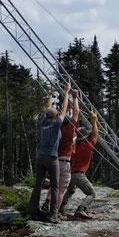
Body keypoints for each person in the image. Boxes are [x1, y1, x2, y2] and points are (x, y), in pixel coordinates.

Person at [27, 82, 71, 223]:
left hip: (40, 157)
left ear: (46, 116)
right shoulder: (57, 123)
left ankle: (32, 211)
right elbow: (64, 108)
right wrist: (66, 92)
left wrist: (51, 93)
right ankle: (53, 215)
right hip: (52, 159)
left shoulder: (43, 123)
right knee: (55, 186)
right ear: (55, 116)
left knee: (38, 185)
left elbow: (48, 108)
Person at [41, 88, 79, 217]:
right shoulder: (70, 128)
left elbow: (52, 109)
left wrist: (52, 93)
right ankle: (55, 211)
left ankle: (47, 202)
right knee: (61, 189)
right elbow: (75, 112)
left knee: (53, 185)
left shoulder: (54, 126)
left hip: (53, 160)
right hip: (64, 161)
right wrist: (74, 97)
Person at [59, 111, 99, 219]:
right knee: (91, 194)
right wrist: (94, 122)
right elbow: (95, 135)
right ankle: (81, 209)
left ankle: (60, 207)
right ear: (85, 137)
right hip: (79, 174)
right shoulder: (87, 146)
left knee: (70, 191)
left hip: (70, 173)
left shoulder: (73, 146)